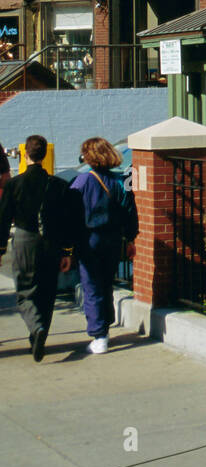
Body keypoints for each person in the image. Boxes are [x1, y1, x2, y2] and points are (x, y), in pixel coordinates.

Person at [0, 135, 74, 361]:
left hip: (24, 238)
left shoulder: (14, 184)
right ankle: (40, 333)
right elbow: (66, 220)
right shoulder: (59, 185)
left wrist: (1, 247)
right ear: (44, 155)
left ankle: (36, 326)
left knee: (25, 290)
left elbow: (4, 218)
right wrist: (67, 251)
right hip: (51, 241)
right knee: (47, 290)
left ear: (25, 154)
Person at [71, 138, 139, 355]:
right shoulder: (119, 182)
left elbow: (69, 213)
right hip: (113, 240)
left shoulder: (82, 182)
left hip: (89, 239)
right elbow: (130, 213)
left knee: (91, 287)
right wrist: (130, 239)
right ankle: (105, 327)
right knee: (107, 284)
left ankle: (99, 334)